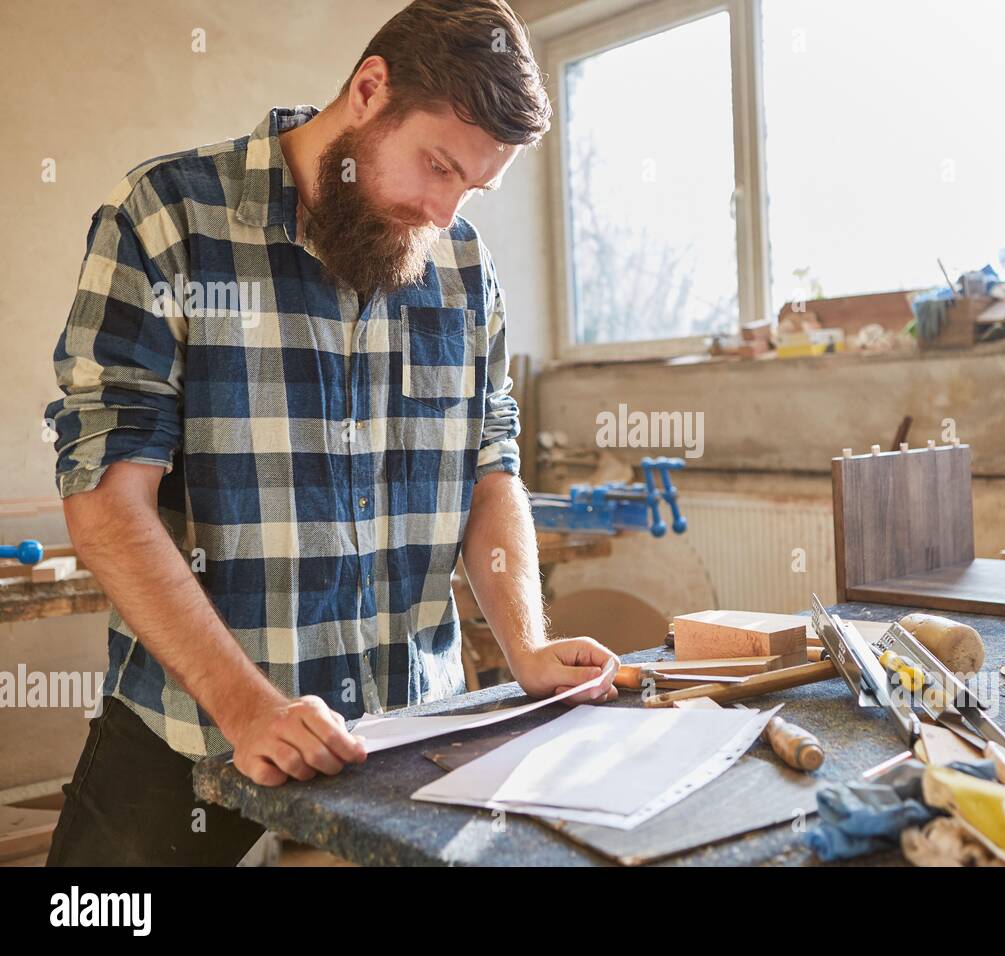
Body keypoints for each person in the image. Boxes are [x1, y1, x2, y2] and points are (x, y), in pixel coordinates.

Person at [43, 0, 618, 866]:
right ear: (369, 88)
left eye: (471, 186)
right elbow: (107, 503)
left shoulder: (463, 269)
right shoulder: (167, 219)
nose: (443, 210)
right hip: (191, 727)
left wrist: (526, 645)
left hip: (405, 734)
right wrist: (248, 709)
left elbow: (490, 469)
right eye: (435, 165)